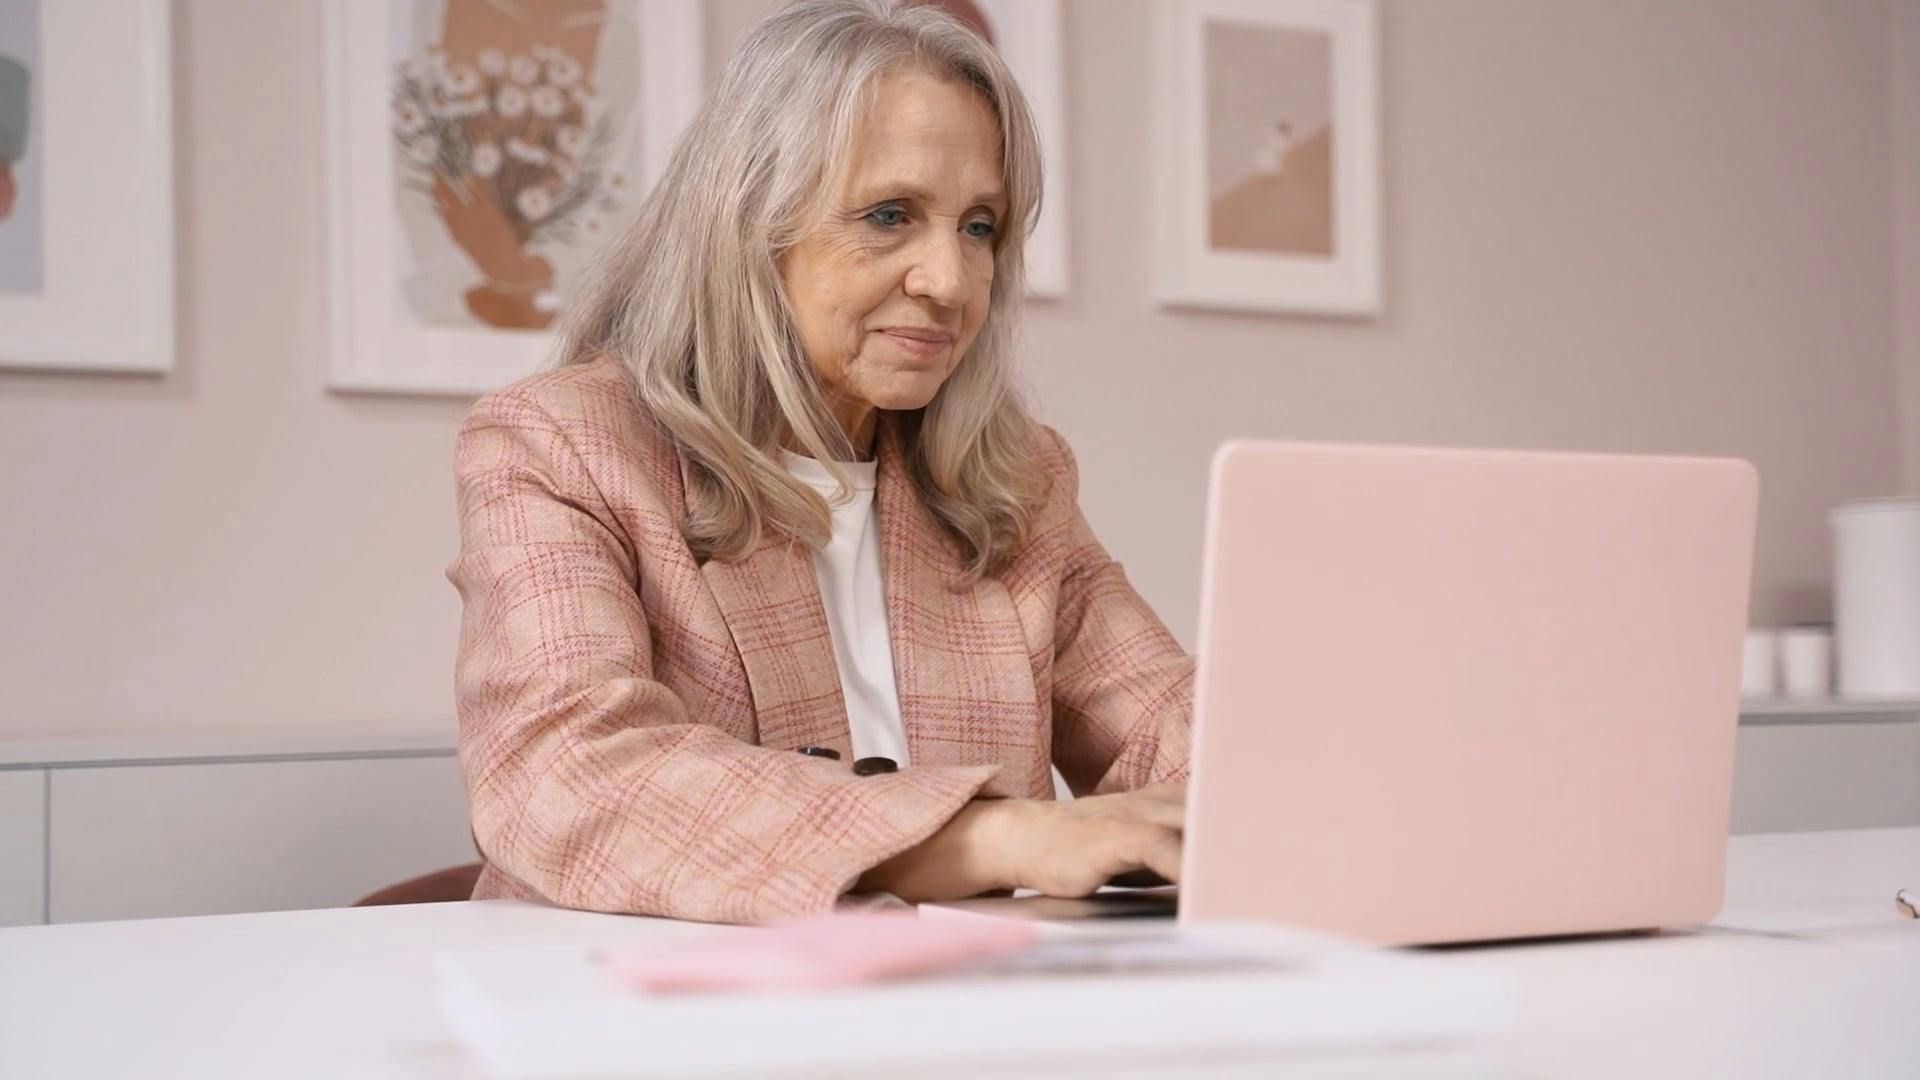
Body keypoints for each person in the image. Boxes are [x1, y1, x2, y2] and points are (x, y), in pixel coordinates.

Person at [447, 0, 1193, 924]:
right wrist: (996, 839)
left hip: (952, 1018)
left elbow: (1178, 732)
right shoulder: (560, 442)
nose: (951, 282)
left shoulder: (1017, 481)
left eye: (979, 226)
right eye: (890, 215)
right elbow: (565, 771)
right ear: (749, 218)